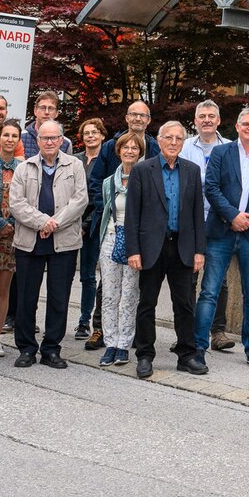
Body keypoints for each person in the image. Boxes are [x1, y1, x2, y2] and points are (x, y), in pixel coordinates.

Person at [199, 106, 249, 369]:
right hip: (221, 231)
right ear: (236, 126)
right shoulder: (221, 152)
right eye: (246, 124)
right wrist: (232, 215)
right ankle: (198, 346)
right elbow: (211, 188)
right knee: (209, 291)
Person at [125, 121, 206, 379]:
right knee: (147, 303)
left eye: (178, 139)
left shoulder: (192, 171)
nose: (173, 143)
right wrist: (133, 251)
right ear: (158, 141)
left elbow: (197, 215)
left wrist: (199, 251)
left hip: (182, 247)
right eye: (168, 138)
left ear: (183, 143)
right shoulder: (142, 170)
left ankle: (186, 355)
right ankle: (145, 356)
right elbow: (132, 215)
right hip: (151, 247)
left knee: (184, 304)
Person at [8, 119, 89, 368]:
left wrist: (54, 223)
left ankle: (52, 349)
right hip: (30, 241)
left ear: (62, 140)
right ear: (38, 141)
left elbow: (80, 200)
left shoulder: (75, 165)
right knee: (26, 298)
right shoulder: (24, 168)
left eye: (55, 138)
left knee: (58, 298)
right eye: (45, 138)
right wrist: (43, 222)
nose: (50, 142)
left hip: (63, 242)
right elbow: (17, 204)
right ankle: (26, 348)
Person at [181, 101, 237, 351]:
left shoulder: (229, 148)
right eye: (202, 116)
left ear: (218, 119)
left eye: (211, 116)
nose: (206, 120)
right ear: (195, 120)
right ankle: (188, 332)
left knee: (219, 279)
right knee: (188, 278)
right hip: (190, 222)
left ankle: (218, 332)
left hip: (218, 222)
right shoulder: (183, 147)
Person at [96, 130, 146, 366]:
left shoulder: (145, 179)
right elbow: (105, 211)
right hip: (111, 238)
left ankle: (124, 344)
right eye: (125, 147)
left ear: (140, 153)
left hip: (134, 241)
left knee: (129, 295)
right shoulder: (109, 183)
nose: (129, 151)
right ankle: (110, 343)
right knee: (109, 295)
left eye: (134, 148)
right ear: (119, 151)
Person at [0, 119, 21, 355]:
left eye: (14, 136)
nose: (9, 139)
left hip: (12, 235)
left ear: (18, 140)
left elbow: (28, 201)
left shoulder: (24, 167)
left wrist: (12, 225)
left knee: (3, 290)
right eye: (5, 135)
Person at [74, 118, 108, 345]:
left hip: (93, 225)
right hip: (69, 223)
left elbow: (101, 198)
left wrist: (85, 225)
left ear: (103, 136)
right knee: (67, 275)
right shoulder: (74, 160)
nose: (91, 136)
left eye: (95, 132)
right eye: (87, 133)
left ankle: (85, 320)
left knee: (88, 275)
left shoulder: (106, 161)